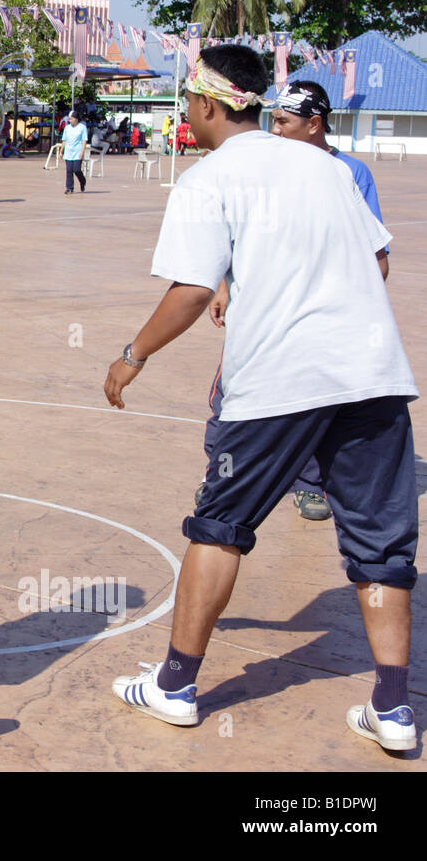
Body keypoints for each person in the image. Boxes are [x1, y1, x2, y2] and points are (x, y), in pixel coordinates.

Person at [105, 45, 419, 753]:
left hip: (280, 381)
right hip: (372, 372)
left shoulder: (210, 178)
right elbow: (377, 260)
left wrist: (134, 355)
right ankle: (395, 709)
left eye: (187, 101)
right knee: (381, 545)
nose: (185, 114)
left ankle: (176, 686)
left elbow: (189, 290)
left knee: (218, 524)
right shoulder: (329, 167)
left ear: (209, 104)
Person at [195, 79, 391, 523]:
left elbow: (375, 260)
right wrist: (225, 287)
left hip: (320, 326)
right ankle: (222, 476)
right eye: (273, 120)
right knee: (230, 400)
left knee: (315, 406)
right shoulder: (264, 166)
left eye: (283, 122)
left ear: (315, 124)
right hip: (263, 321)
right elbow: (241, 240)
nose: (276, 130)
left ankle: (307, 485)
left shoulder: (349, 173)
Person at [62, 112, 87, 194]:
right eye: (69, 119)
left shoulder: (82, 127)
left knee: (76, 169)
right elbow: (64, 140)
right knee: (69, 170)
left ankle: (82, 180)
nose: (70, 120)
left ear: (76, 119)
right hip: (68, 152)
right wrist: (61, 151)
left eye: (71, 119)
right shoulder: (67, 128)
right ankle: (69, 188)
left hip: (77, 152)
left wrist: (82, 152)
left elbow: (84, 141)